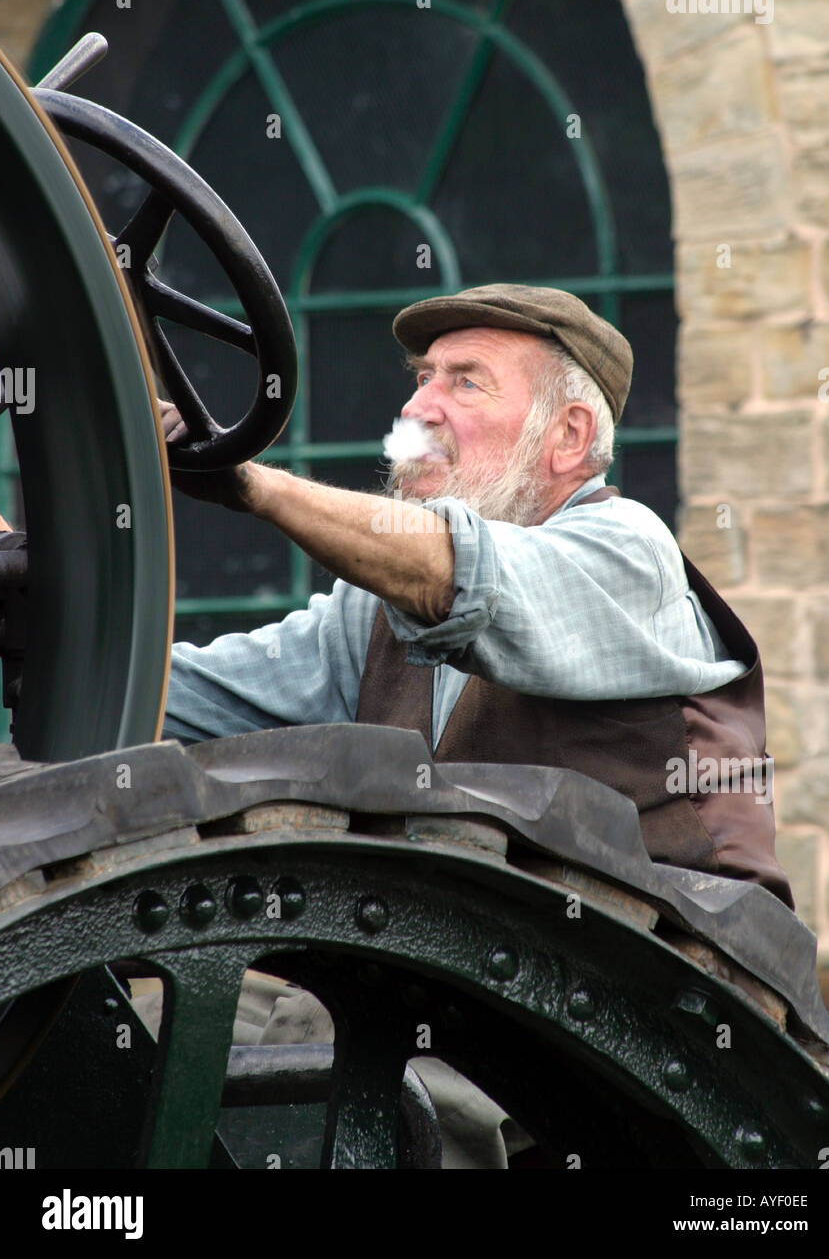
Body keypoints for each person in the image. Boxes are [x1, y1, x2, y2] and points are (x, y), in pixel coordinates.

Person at [162, 282, 791, 907]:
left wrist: (252, 485)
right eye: (422, 377)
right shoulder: (376, 609)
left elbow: (458, 572)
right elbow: (170, 697)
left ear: (569, 436)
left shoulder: (629, 549)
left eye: (464, 382)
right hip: (470, 970)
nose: (416, 410)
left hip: (672, 981)